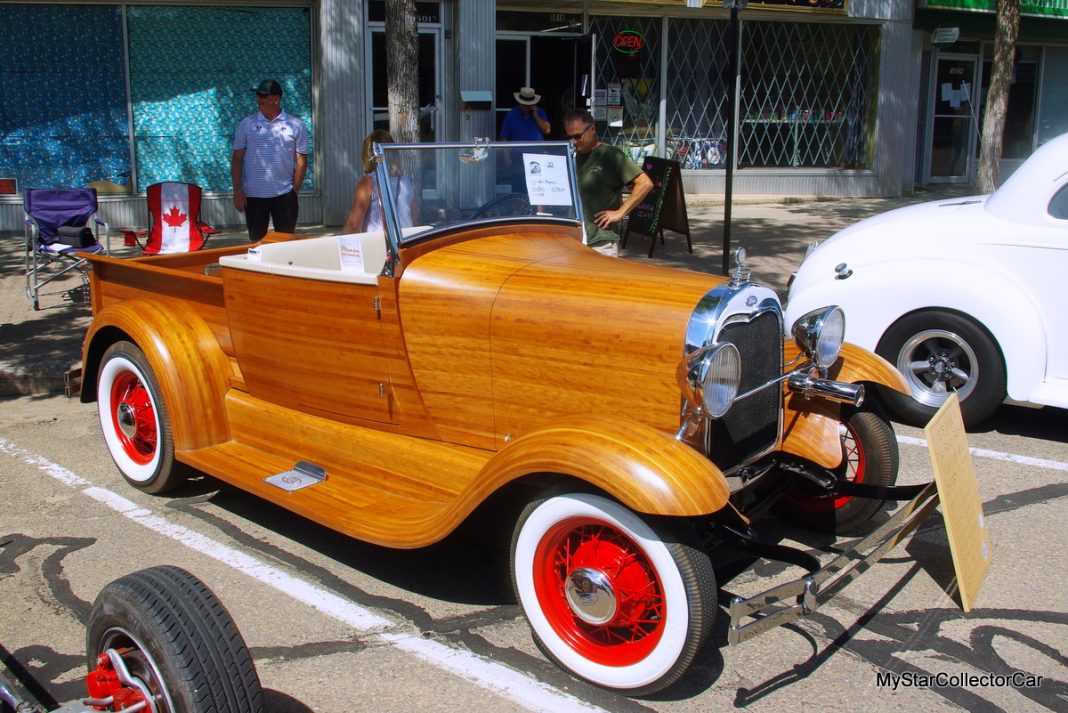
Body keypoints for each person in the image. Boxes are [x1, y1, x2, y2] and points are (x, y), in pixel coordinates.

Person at [562, 109, 654, 257]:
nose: (574, 141)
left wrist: (620, 213)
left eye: (578, 136)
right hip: (573, 240)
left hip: (601, 242)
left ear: (592, 129)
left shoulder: (610, 155)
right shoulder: (570, 155)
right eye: (570, 137)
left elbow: (645, 183)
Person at [231, 79, 309, 242]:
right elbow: (237, 158)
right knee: (257, 244)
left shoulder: (296, 125)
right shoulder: (246, 124)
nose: (259, 99)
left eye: (263, 95)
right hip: (254, 197)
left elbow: (302, 160)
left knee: (285, 243)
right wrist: (237, 189)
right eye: (258, 95)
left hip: (284, 195)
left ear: (276, 99)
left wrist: (294, 190)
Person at [341, 130, 417, 234]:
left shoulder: (368, 182)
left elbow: (353, 225)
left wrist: (336, 246)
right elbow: (414, 220)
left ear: (368, 154)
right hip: (407, 243)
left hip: (380, 245)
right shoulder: (406, 182)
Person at [499, 86, 551, 192]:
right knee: (519, 185)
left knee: (538, 186)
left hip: (537, 155)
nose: (526, 106)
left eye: (529, 104)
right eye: (524, 103)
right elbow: (504, 137)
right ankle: (520, 208)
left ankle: (536, 208)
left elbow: (547, 130)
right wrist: (506, 156)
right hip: (518, 155)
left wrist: (536, 116)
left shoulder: (539, 112)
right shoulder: (511, 115)